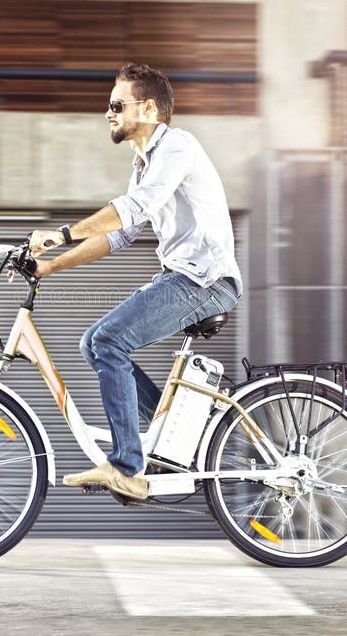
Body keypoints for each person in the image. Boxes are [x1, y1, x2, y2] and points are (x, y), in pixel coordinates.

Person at [30, 63, 242, 500]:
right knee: (94, 343)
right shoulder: (144, 161)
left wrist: (61, 233)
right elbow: (122, 233)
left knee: (109, 341)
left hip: (204, 280)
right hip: (181, 276)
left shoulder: (178, 146)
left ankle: (127, 466)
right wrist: (49, 265)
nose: (108, 113)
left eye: (116, 104)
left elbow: (136, 207)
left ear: (147, 108)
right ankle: (176, 436)